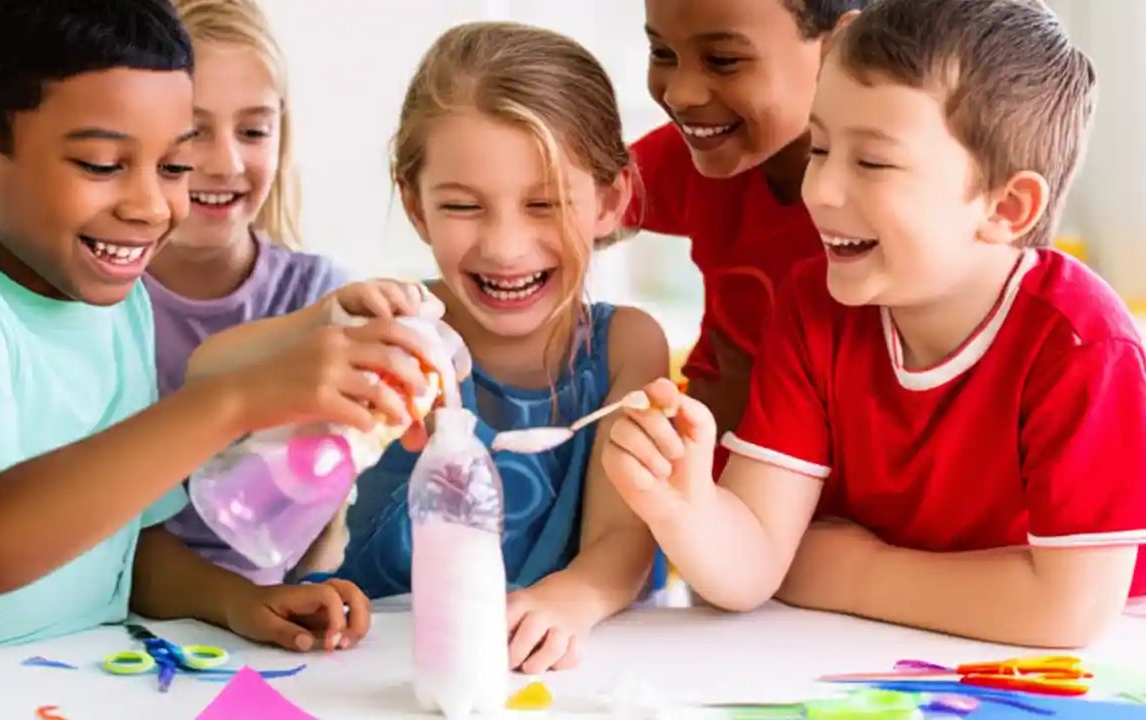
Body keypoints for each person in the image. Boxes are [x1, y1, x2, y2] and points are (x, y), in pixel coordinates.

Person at [0, 0, 427, 652]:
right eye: (104, 164)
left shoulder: (121, 308)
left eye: (172, 167)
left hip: (67, 675)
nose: (152, 206)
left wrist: (238, 601)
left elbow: (129, 548)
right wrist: (232, 400)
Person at [605, 0, 1146, 647]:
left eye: (872, 163)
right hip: (863, 651)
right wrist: (683, 502)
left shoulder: (1084, 345)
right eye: (821, 147)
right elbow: (753, 567)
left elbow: (1066, 613)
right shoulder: (813, 304)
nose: (821, 191)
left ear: (1005, 206)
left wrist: (850, 569)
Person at [326, 22, 666, 674]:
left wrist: (570, 600)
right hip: (375, 666)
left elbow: (622, 539)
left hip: (558, 676)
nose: (506, 247)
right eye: (462, 206)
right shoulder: (395, 331)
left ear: (610, 200)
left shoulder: (625, 345)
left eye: (544, 204)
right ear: (415, 205)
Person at [147, 0, 352, 587]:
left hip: (268, 619)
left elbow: (313, 550)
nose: (226, 162)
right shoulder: (100, 301)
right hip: (123, 618)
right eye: (193, 133)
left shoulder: (320, 296)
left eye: (253, 130)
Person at [628, 0, 868, 457]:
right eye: (662, 53)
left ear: (839, 47)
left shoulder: (893, 206)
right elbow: (568, 203)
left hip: (832, 503)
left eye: (723, 60)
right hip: (707, 475)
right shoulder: (699, 152)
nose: (680, 93)